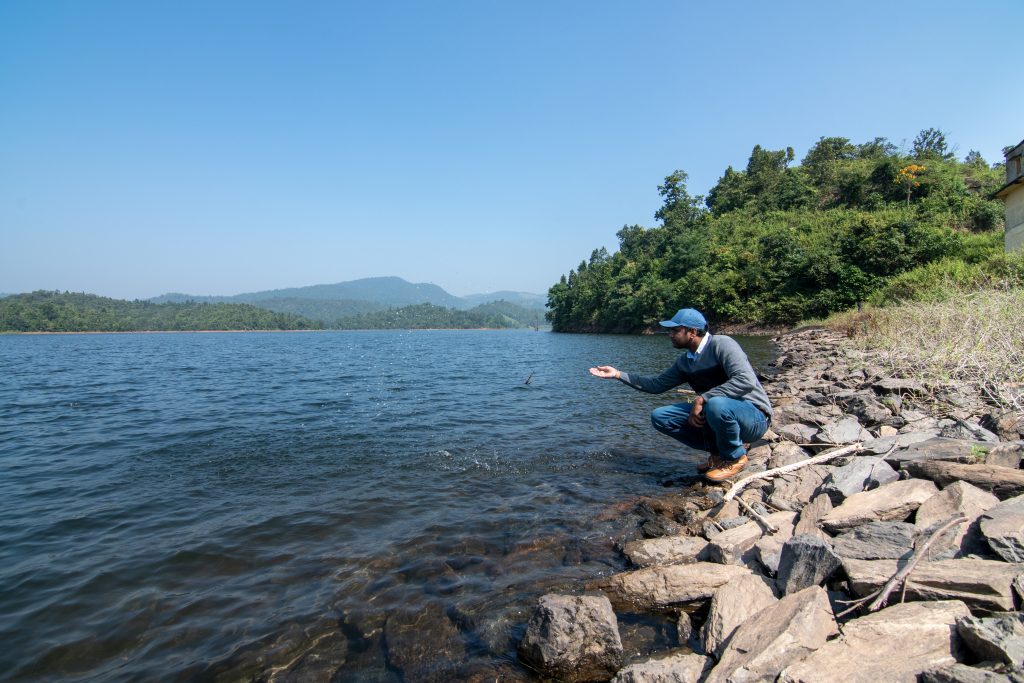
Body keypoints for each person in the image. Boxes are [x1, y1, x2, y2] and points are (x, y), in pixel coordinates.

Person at [589, 308, 772, 481]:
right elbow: (656, 385)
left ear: (692, 332)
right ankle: (718, 454)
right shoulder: (686, 362)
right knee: (661, 416)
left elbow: (746, 380)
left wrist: (703, 398)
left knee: (715, 404)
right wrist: (618, 374)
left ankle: (734, 458)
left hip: (755, 417)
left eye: (675, 330)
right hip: (720, 415)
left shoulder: (722, 344)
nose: (670, 335)